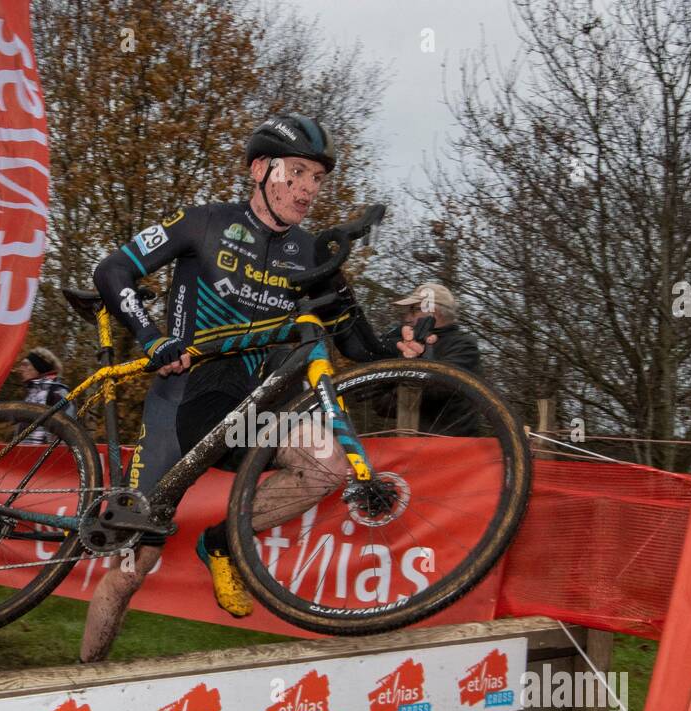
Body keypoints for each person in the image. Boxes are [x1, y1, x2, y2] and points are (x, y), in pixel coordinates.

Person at [81, 114, 434, 662]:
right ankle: (84, 678)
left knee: (328, 466)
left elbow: (356, 344)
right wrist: (151, 338)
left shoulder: (312, 255)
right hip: (179, 402)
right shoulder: (203, 222)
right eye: (296, 173)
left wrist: (399, 345)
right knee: (132, 568)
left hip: (250, 405)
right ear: (259, 170)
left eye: (317, 178)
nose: (308, 189)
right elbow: (112, 271)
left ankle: (223, 542)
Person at [377, 281, 484, 434]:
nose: (407, 317)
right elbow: (382, 405)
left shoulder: (464, 346)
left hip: (453, 444)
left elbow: (438, 388)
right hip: (411, 442)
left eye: (414, 310)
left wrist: (405, 376)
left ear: (433, 312)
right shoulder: (410, 344)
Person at [13, 346, 77, 441]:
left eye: (26, 365)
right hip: (24, 450)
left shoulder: (59, 392)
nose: (21, 369)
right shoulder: (30, 396)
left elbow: (69, 429)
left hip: (50, 450)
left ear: (39, 367)